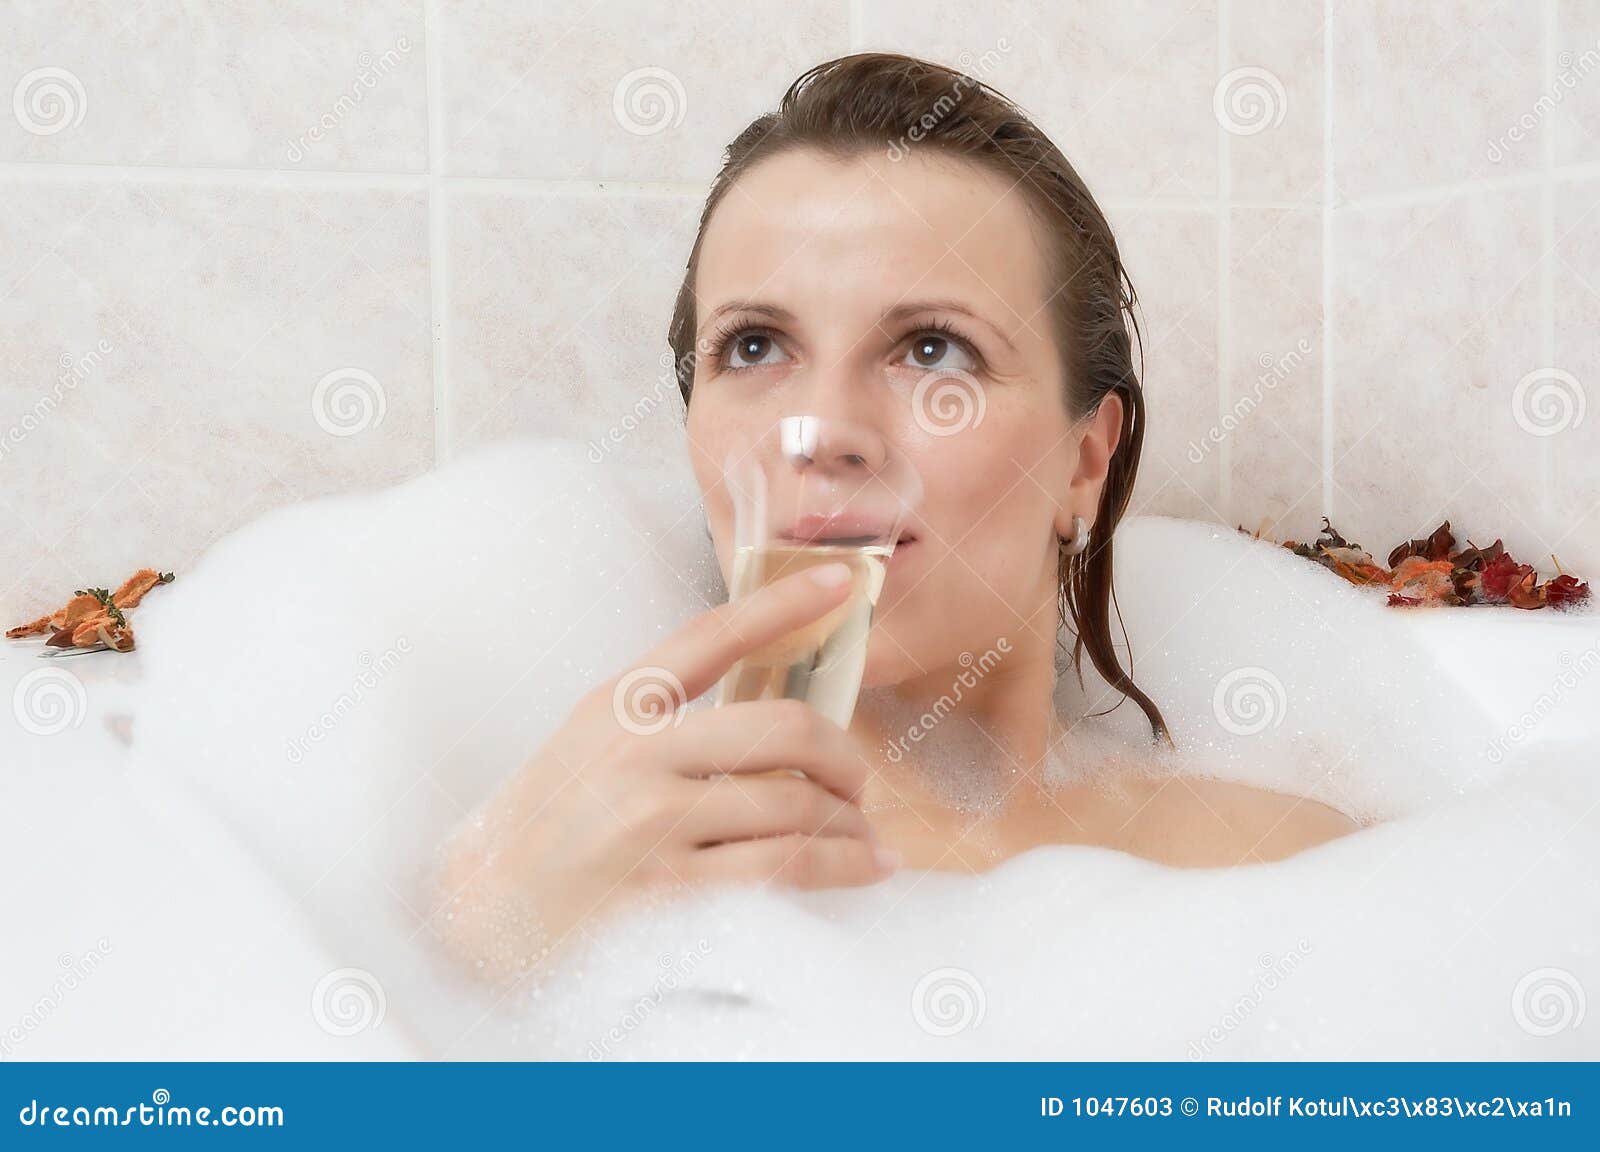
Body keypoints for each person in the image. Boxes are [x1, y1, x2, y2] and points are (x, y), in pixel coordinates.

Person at [434, 53, 1356, 977]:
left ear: (1084, 463)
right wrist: (506, 932)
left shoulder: (1282, 870)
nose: (825, 431)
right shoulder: (580, 879)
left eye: (932, 350)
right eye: (754, 347)